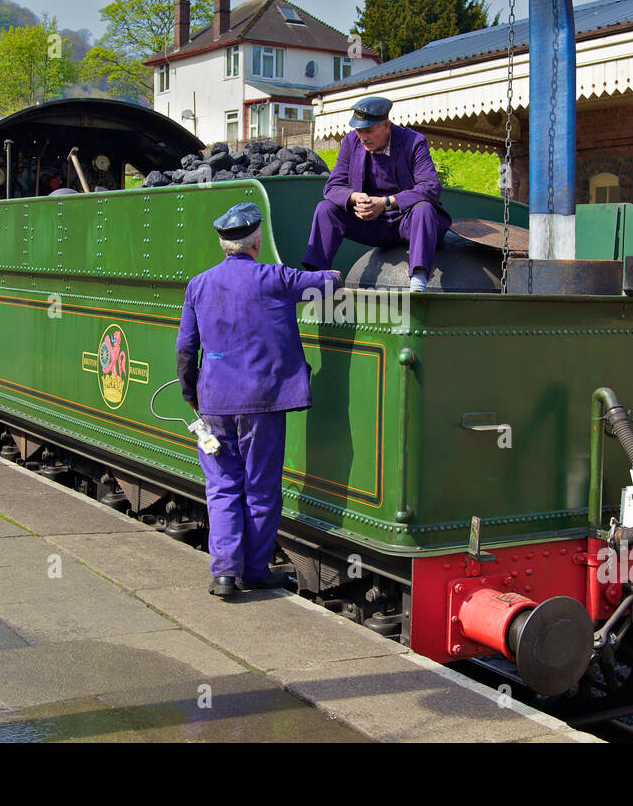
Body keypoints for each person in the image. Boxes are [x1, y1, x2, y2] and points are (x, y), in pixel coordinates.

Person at [175, 203, 342, 598]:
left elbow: (185, 348)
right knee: (261, 487)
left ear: (222, 244)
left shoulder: (198, 284)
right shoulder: (275, 278)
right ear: (257, 241)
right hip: (262, 405)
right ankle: (254, 570)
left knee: (221, 485)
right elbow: (326, 283)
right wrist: (337, 272)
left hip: (214, 404)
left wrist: (190, 392)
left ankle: (224, 574)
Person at [301, 96, 451, 292]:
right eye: (359, 130)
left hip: (407, 220)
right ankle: (316, 277)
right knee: (325, 209)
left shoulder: (414, 142)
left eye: (368, 130)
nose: (363, 136)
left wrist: (386, 202)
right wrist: (356, 198)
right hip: (373, 222)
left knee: (424, 208)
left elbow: (431, 187)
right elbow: (332, 187)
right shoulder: (350, 142)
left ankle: (419, 279)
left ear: (386, 125)